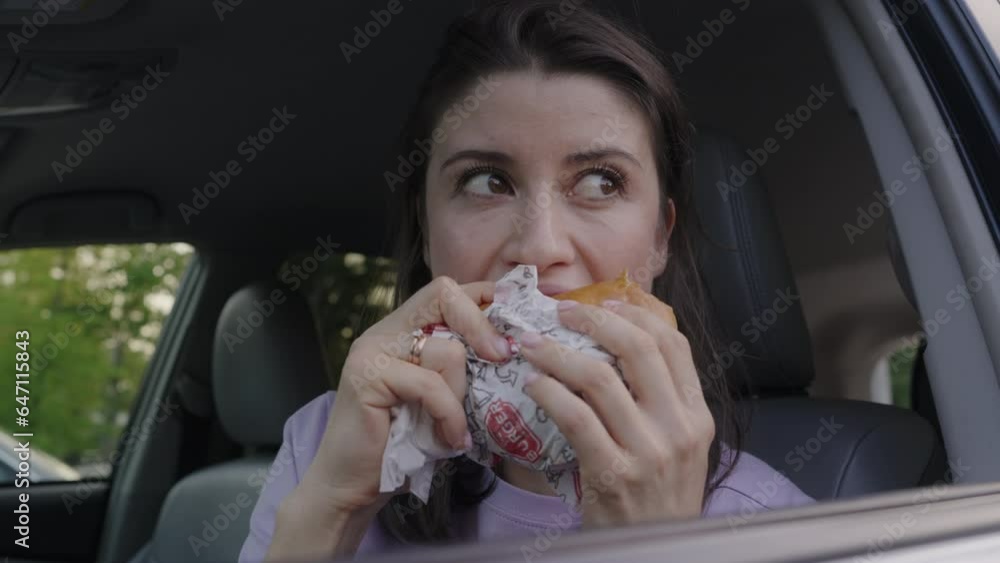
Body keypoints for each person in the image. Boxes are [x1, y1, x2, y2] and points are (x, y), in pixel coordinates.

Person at [240, 1, 813, 560]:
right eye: (487, 182)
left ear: (660, 238)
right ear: (427, 226)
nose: (538, 248)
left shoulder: (776, 526)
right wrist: (333, 510)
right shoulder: (325, 443)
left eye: (599, 182)